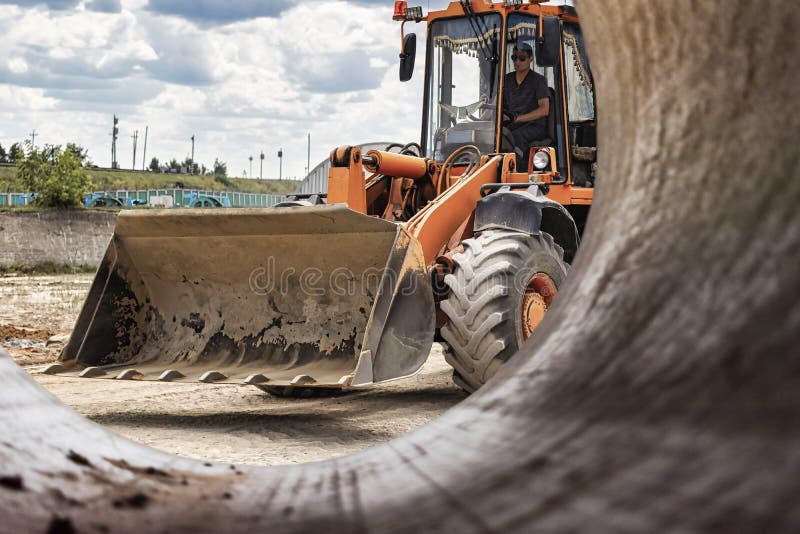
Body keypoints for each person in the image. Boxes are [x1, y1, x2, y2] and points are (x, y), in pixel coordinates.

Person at [502, 43, 550, 170]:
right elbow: (495, 104)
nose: (517, 61)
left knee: (516, 137)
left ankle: (519, 172)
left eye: (522, 58)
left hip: (533, 126)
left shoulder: (539, 81)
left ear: (531, 58)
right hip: (512, 124)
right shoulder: (506, 80)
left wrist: (517, 118)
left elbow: (544, 110)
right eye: (514, 58)